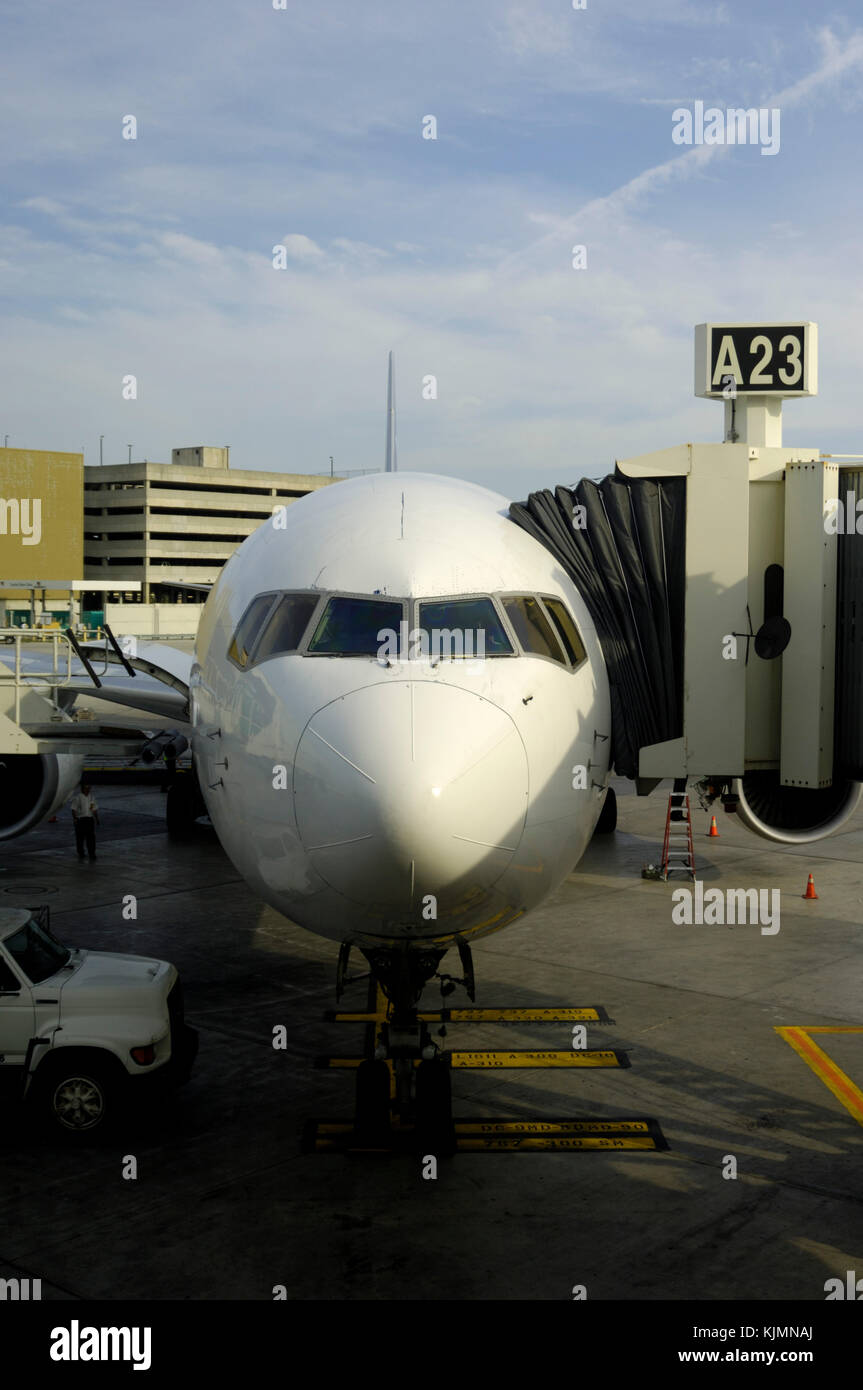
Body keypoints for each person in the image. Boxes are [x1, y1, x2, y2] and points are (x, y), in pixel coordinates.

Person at [69, 782, 99, 861]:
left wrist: (97, 819)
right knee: (80, 838)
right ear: (82, 789)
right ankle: (81, 852)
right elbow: (73, 809)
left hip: (89, 820)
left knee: (91, 838)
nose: (88, 789)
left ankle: (92, 853)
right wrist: (75, 819)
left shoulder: (92, 797)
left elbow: (94, 809)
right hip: (80, 820)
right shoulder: (78, 798)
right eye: (86, 788)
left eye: (89, 788)